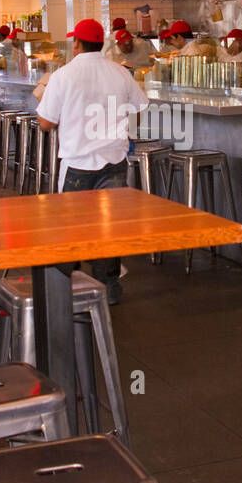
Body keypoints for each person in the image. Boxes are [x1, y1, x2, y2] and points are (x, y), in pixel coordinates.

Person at [37, 18, 149, 304]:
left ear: (76, 43)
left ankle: (65, 290)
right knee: (109, 228)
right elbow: (140, 105)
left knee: (70, 228)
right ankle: (108, 289)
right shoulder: (120, 72)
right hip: (114, 159)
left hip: (78, 163)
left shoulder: (63, 75)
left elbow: (46, 123)